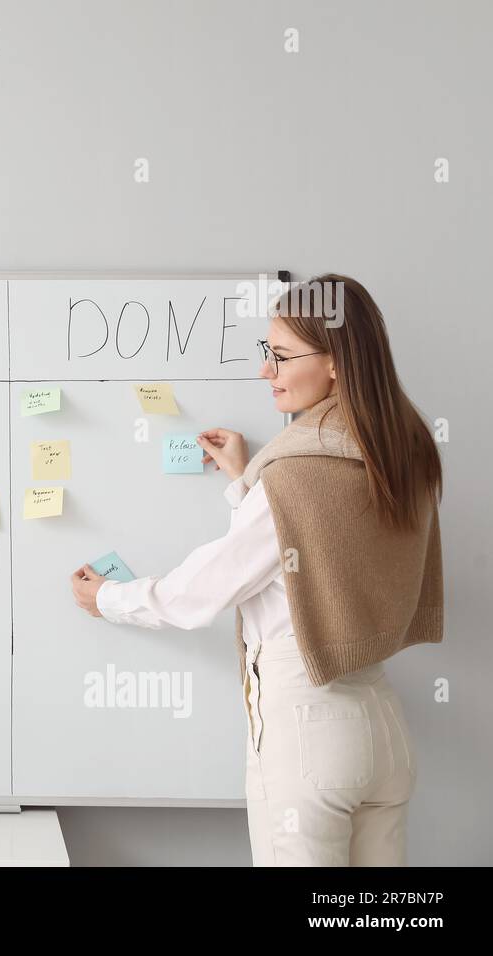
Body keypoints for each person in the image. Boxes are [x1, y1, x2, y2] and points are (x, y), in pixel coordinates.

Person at [70, 274, 443, 865]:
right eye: (266, 353)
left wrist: (110, 600)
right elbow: (317, 551)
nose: (265, 371)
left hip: (310, 740)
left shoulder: (295, 478)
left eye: (282, 356)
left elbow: (204, 588)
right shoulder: (402, 451)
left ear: (337, 364)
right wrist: (249, 481)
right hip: (383, 733)